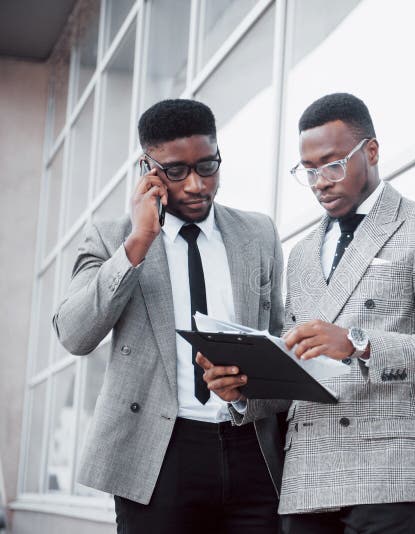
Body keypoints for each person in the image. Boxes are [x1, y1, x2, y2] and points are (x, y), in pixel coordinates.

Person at [200, 92, 415, 534]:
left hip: (385, 470)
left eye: (331, 164)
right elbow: (298, 370)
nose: (319, 182)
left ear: (371, 151)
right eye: (307, 170)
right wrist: (243, 393)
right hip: (306, 472)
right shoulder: (304, 252)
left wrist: (357, 343)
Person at [52, 99, 285, 534]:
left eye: (208, 166)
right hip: (156, 453)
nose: (197, 184)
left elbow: (277, 339)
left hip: (250, 444)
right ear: (149, 168)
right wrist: (139, 241)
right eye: (176, 171)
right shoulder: (112, 237)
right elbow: (74, 334)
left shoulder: (258, 234)